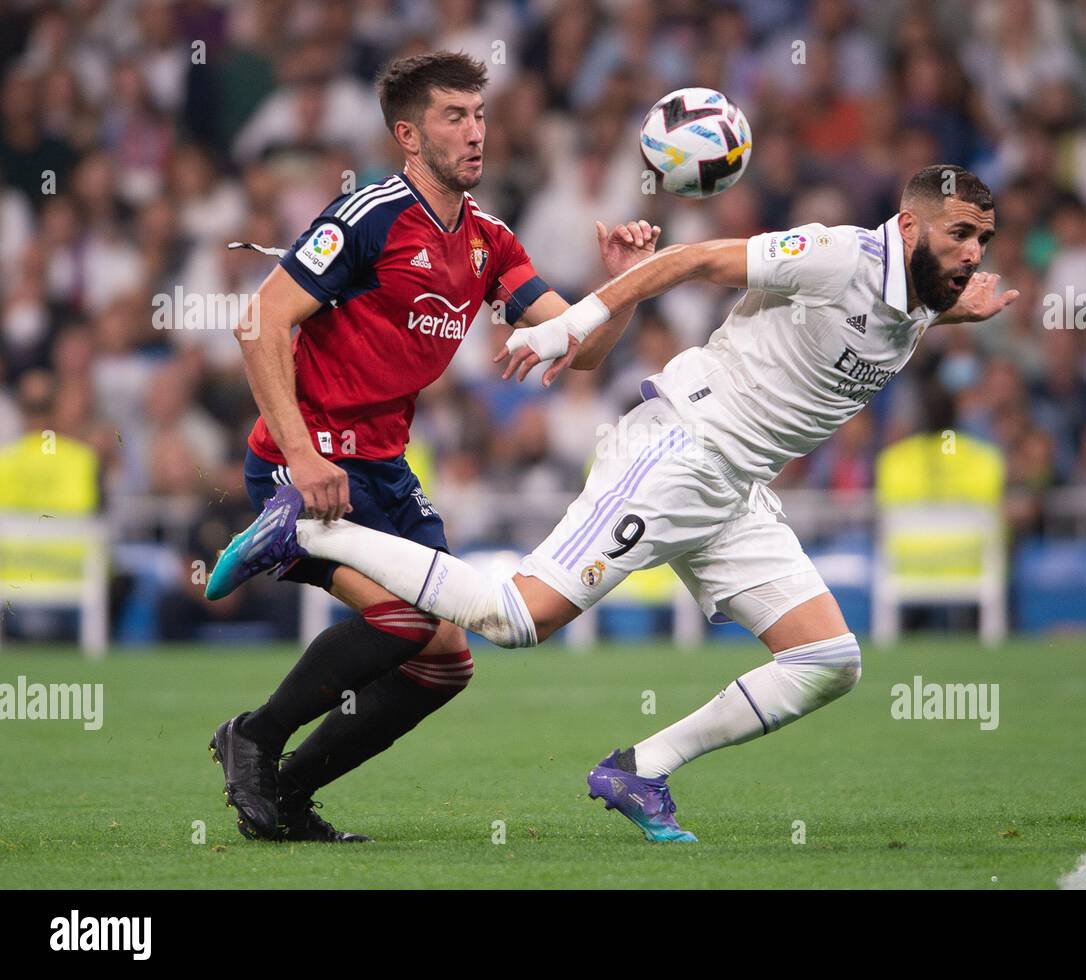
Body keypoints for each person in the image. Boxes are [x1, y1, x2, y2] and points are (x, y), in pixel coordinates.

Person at [210, 165, 1017, 842]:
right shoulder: (837, 253)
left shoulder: (916, 291)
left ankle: (641, 770)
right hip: (682, 451)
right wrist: (577, 321)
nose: (973, 253)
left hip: (734, 488)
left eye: (982, 240)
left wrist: (953, 308)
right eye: (960, 237)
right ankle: (310, 528)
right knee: (515, 621)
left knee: (827, 662)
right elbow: (695, 261)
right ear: (909, 227)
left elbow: (875, 316)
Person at [205, 50, 659, 843]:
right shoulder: (368, 216)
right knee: (409, 624)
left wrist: (621, 285)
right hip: (301, 467)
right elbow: (261, 323)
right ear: (408, 136)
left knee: (447, 659)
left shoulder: (489, 240)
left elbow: (577, 349)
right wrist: (305, 456)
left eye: (480, 115)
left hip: (382, 469)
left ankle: (286, 792)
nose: (476, 132)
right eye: (455, 117)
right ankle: (254, 735)